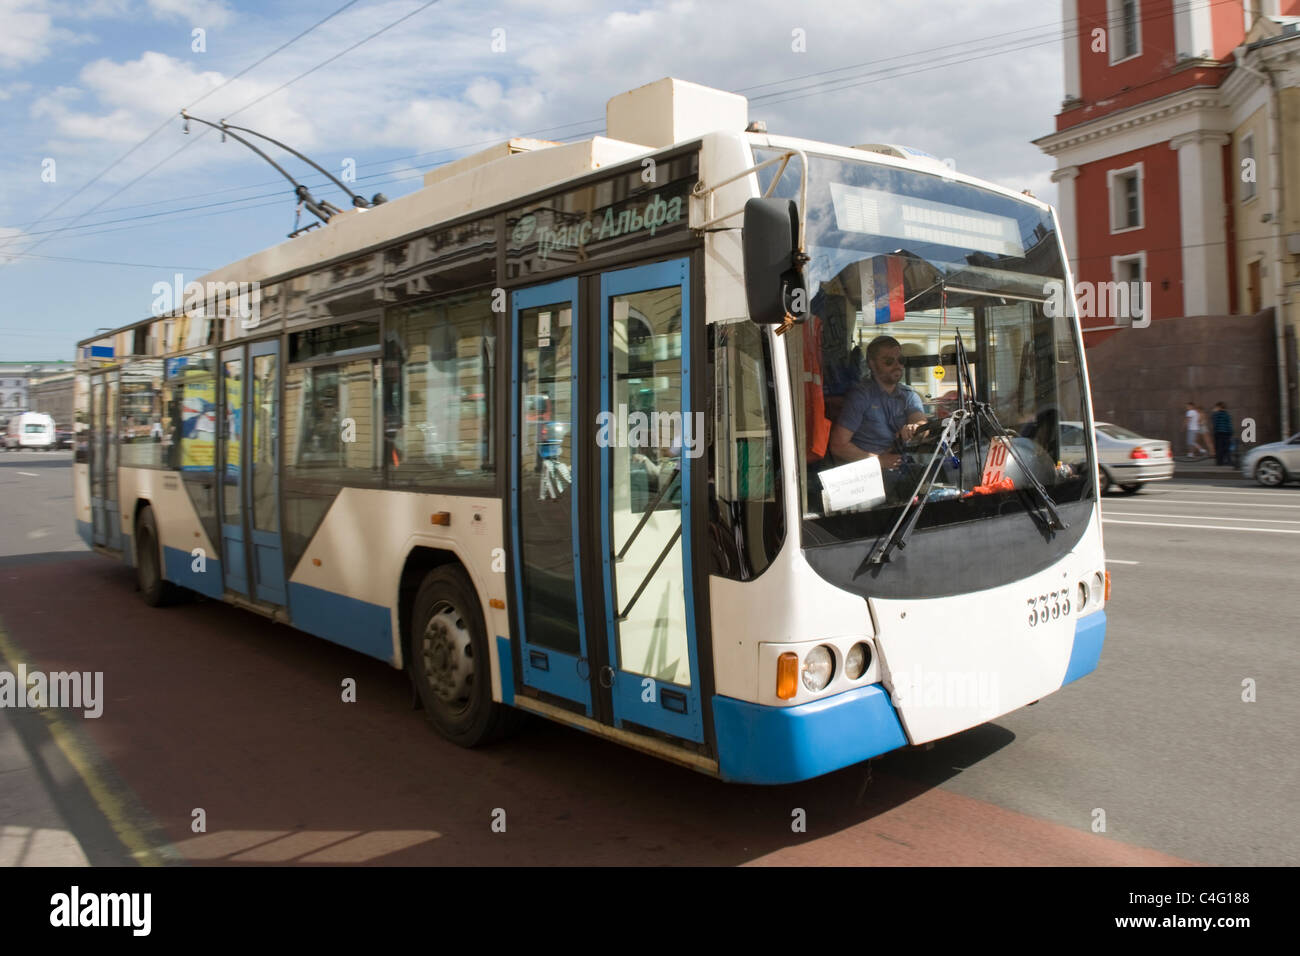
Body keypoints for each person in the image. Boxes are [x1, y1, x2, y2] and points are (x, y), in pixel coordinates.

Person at [829, 335, 927, 471]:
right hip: (865, 475)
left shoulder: (909, 395)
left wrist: (915, 428)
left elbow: (921, 424)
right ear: (872, 364)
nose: (897, 365)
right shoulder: (861, 396)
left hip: (902, 472)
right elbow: (838, 446)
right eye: (889, 361)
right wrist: (877, 461)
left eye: (901, 360)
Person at [1212, 402, 1233, 466]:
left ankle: (1219, 462)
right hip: (1226, 433)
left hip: (1218, 433)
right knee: (1226, 448)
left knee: (1219, 448)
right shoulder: (1227, 415)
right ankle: (1228, 461)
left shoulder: (1216, 414)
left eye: (1216, 407)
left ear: (1219, 407)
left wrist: (1214, 412)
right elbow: (1229, 424)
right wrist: (1231, 432)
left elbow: (1214, 423)